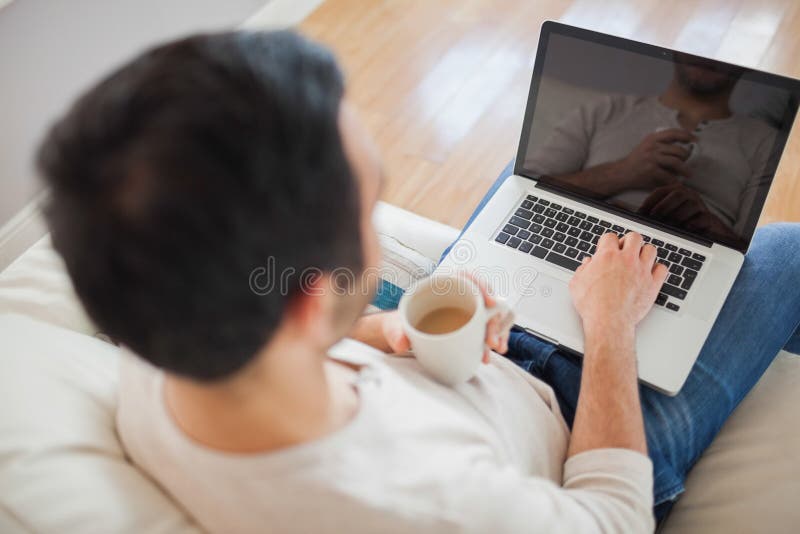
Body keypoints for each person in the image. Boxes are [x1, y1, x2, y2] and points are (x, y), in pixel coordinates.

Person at [37, 31, 799, 533]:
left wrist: (386, 328)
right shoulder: (426, 506)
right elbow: (613, 517)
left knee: (539, 182)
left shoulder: (150, 341)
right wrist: (609, 329)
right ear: (309, 299)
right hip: (584, 421)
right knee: (788, 251)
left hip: (459, 360)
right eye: (371, 200)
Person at [525, 53, 777, 246]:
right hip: (593, 236)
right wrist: (621, 172)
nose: (709, 56)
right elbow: (526, 187)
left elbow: (759, 255)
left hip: (694, 250)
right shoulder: (605, 110)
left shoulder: (766, 142)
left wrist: (708, 226)